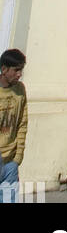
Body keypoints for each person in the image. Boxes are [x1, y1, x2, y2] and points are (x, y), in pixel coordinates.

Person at [0, 49, 27, 204]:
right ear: (4, 69)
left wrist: (18, 156)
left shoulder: (20, 90)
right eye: (16, 70)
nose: (19, 74)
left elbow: (23, 122)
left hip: (10, 161)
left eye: (21, 70)